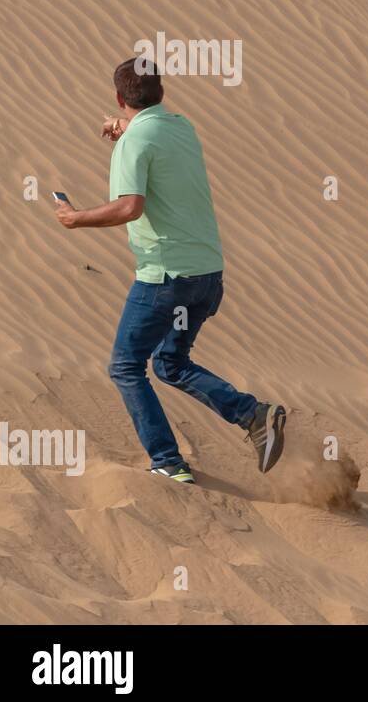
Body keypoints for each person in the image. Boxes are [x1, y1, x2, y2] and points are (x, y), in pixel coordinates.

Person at [54, 57, 286, 484]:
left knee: (125, 366)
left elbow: (129, 207)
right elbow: (149, 138)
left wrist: (76, 217)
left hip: (165, 279)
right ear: (161, 92)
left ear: (119, 97)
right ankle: (255, 415)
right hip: (207, 275)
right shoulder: (181, 127)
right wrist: (122, 128)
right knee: (171, 364)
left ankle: (167, 460)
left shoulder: (133, 144)